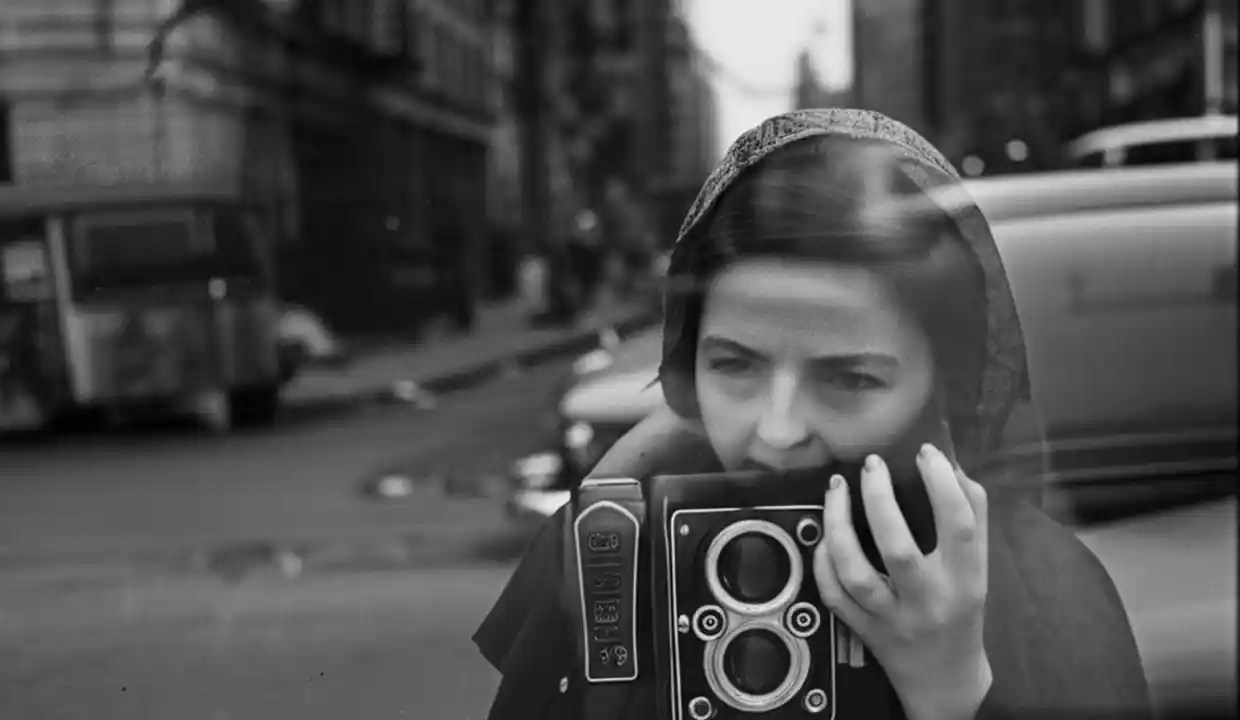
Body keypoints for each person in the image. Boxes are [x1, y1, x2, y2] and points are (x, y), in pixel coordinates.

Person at [472, 109, 1152, 719]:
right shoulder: (616, 548)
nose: (777, 431)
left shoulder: (1041, 592)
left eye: (850, 378)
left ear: (945, 386)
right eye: (734, 365)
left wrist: (952, 691)